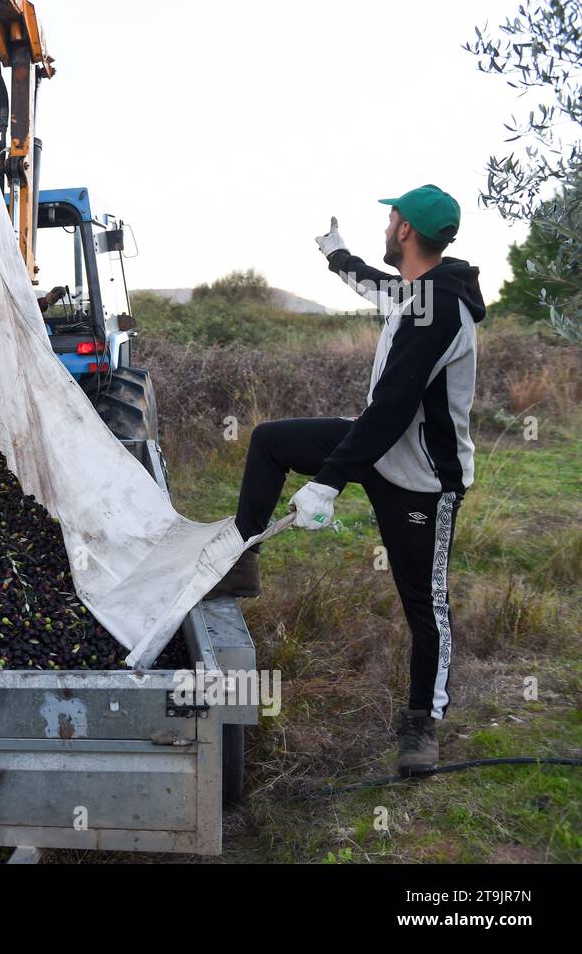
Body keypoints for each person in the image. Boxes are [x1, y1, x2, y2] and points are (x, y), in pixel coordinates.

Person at [208, 185, 485, 775]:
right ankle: (242, 555)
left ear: (406, 230)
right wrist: (336, 255)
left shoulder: (439, 309)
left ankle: (422, 724)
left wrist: (329, 482)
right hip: (379, 450)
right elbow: (374, 287)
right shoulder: (416, 292)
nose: (387, 226)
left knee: (424, 603)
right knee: (270, 440)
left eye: (391, 218)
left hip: (422, 481)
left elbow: (391, 409)